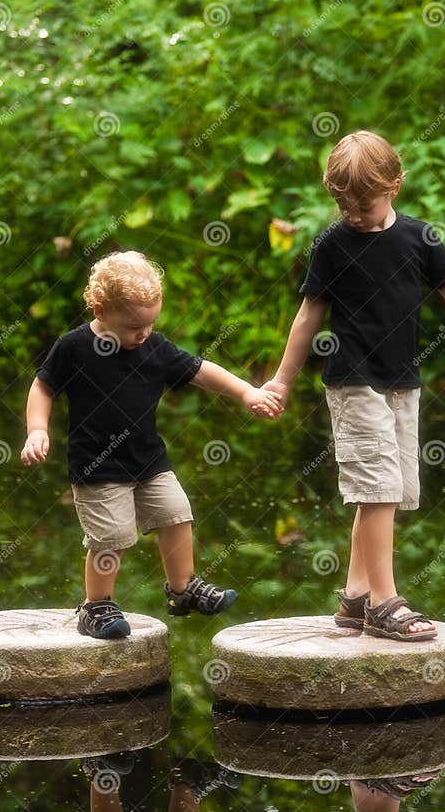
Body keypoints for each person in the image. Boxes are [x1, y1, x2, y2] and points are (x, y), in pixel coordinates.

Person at [259, 130, 445, 641]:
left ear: (394, 184)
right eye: (344, 205)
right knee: (376, 490)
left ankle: (355, 596)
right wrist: (282, 380)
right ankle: (384, 602)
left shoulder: (420, 238)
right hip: (353, 381)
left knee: (388, 494)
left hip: (403, 382)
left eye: (365, 204)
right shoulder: (331, 245)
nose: (354, 214)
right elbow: (308, 316)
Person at [21, 251, 282, 640]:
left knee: (177, 513)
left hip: (149, 459)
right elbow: (43, 385)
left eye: (150, 323)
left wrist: (246, 392)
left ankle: (182, 589)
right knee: (111, 537)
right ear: (100, 309)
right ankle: (96, 606)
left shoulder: (153, 346)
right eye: (133, 326)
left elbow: (200, 371)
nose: (143, 333)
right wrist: (37, 429)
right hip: (97, 466)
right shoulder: (73, 347)